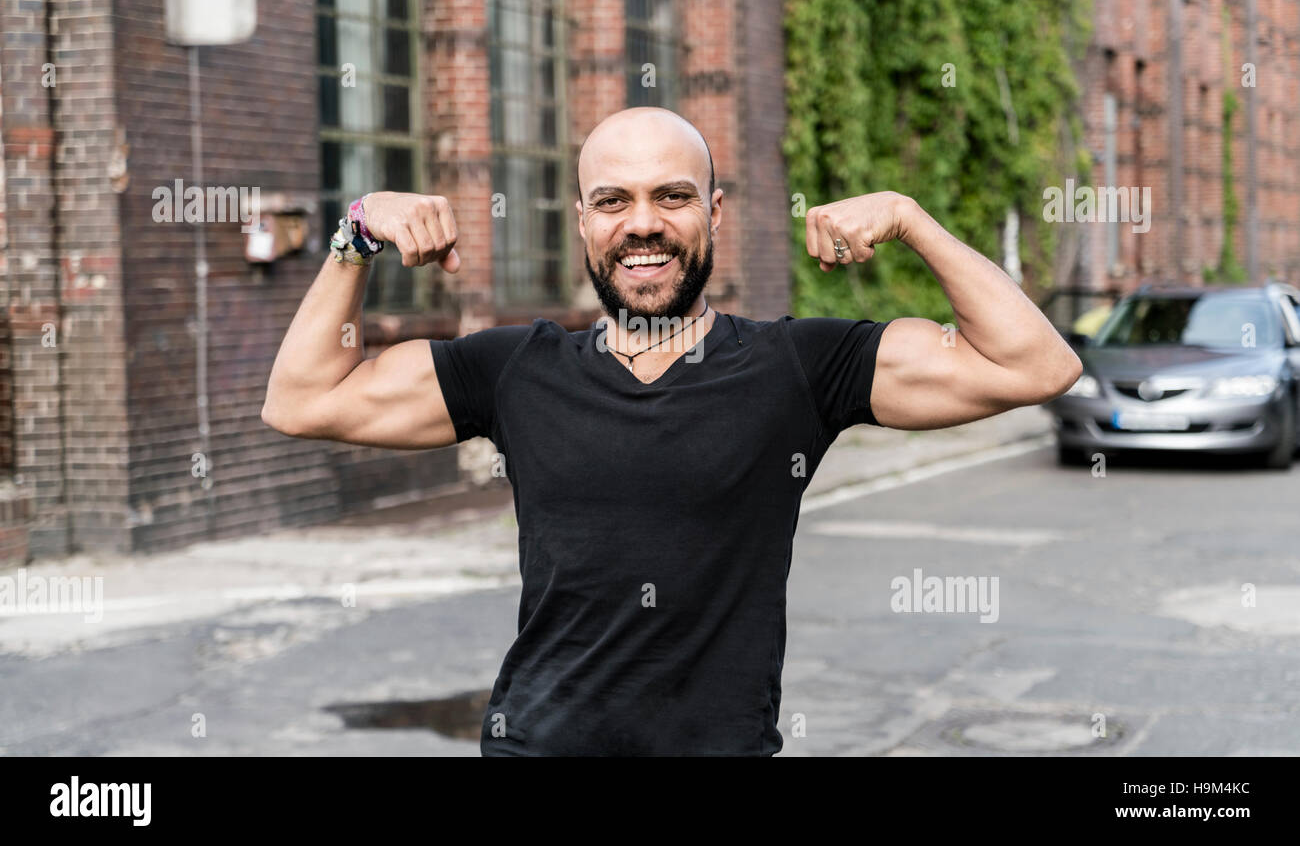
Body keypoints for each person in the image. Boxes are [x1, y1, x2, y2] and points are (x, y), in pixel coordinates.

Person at [262, 106, 1081, 756]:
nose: (643, 223)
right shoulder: (515, 370)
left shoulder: (798, 366)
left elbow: (1033, 365)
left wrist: (910, 217)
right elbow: (301, 400)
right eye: (614, 201)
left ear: (714, 212)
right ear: (583, 221)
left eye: (673, 196)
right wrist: (358, 232)